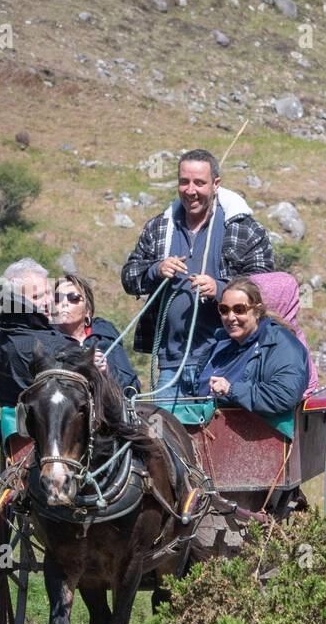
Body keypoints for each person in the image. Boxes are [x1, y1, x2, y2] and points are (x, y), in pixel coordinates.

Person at [120, 149, 274, 404]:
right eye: (184, 182)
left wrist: (221, 290)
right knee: (163, 440)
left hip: (227, 360)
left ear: (216, 184)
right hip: (171, 362)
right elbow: (129, 277)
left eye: (199, 183)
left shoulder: (244, 229)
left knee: (217, 440)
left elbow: (267, 288)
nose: (190, 190)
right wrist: (155, 270)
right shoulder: (159, 227)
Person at [194, 278, 309, 438]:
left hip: (258, 438)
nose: (231, 317)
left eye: (239, 309)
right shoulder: (218, 346)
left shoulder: (281, 345)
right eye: (224, 309)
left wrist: (231, 390)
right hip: (210, 436)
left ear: (257, 311)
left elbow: (284, 396)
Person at [0, 257, 69, 409]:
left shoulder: (4, 337)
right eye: (36, 297)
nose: (47, 302)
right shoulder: (29, 342)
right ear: (17, 302)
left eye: (48, 293)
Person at [50, 272, 141, 393]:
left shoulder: (106, 336)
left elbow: (132, 388)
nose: (64, 303)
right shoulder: (46, 340)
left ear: (87, 310)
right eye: (57, 299)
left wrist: (105, 372)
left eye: (73, 297)